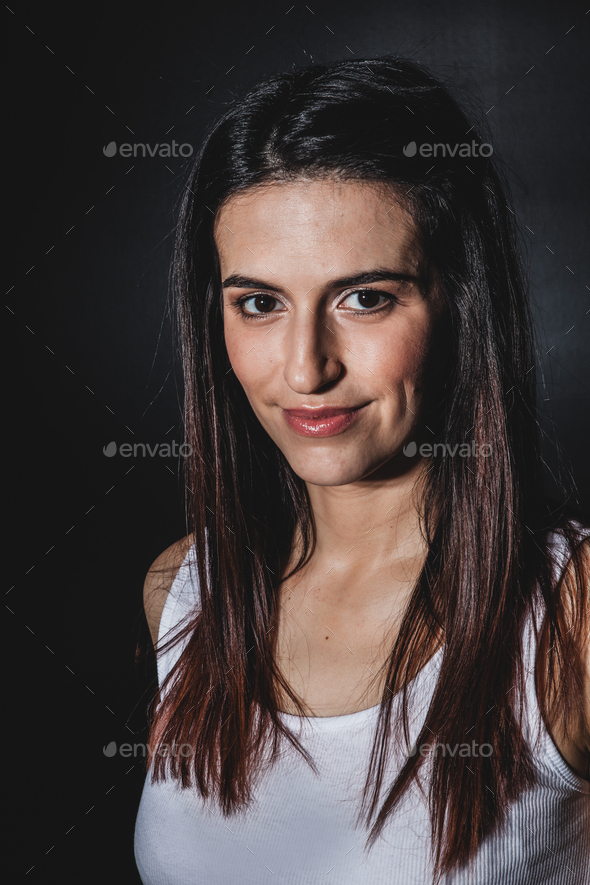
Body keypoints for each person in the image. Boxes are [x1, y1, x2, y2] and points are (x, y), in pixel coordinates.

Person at [134, 56, 590, 884]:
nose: (306, 369)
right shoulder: (184, 589)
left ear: (460, 299)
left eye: (365, 297)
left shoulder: (573, 616)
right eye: (259, 303)